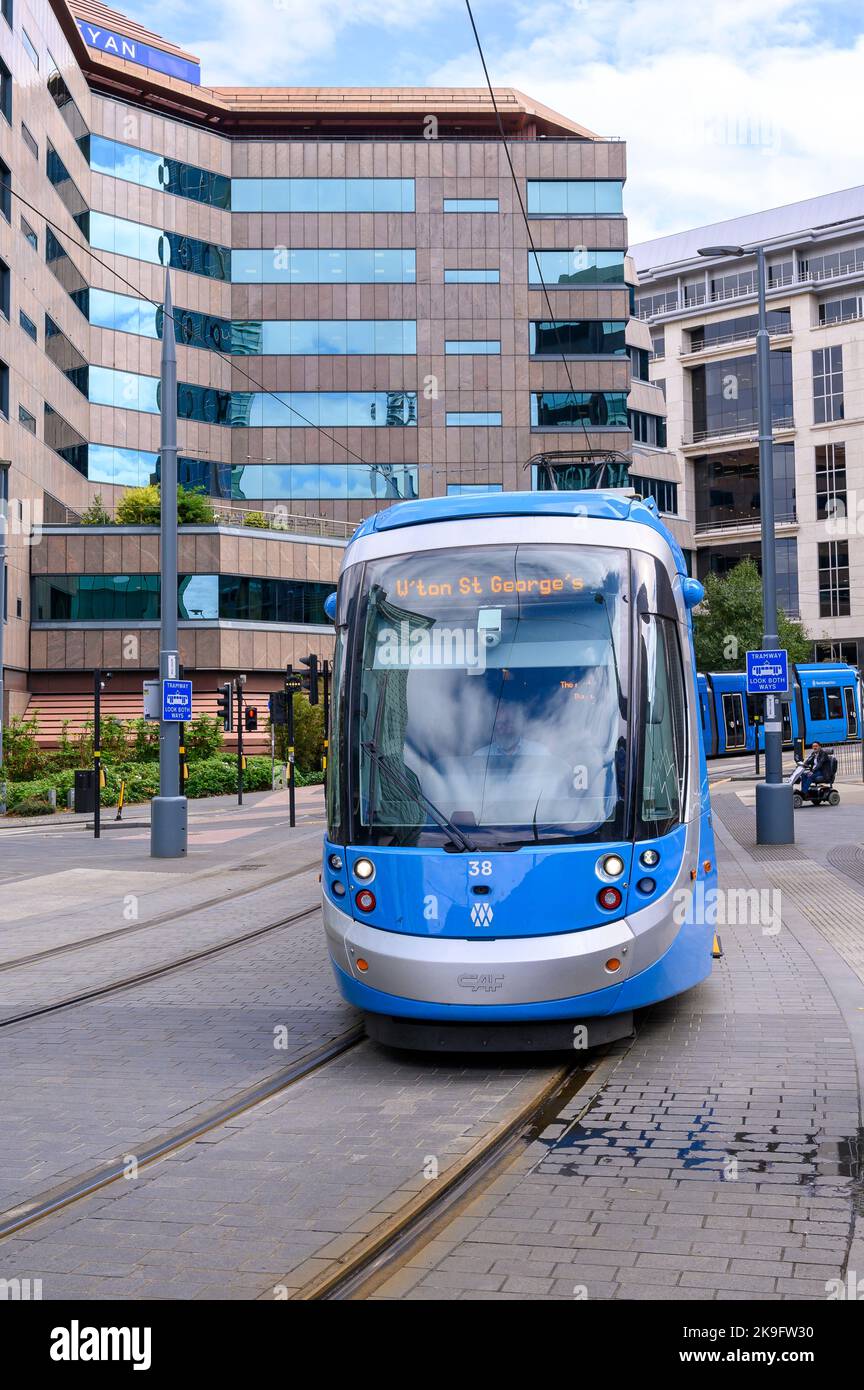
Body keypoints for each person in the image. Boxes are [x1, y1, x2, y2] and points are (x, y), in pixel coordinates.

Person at [473, 698, 549, 758]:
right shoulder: (480, 756)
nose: (506, 729)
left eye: (508, 722)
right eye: (500, 723)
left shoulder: (539, 753)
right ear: (494, 725)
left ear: (517, 723)